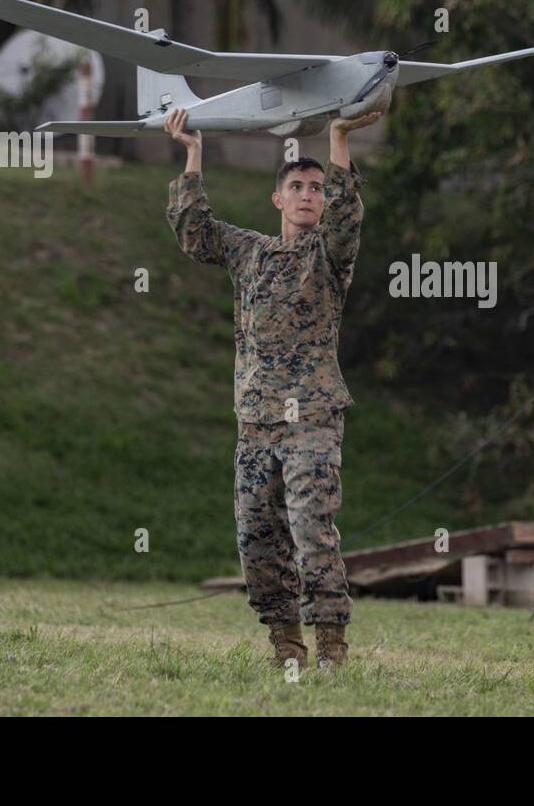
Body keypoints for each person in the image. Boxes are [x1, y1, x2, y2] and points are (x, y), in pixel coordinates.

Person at [164, 107, 381, 670]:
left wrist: (337, 137)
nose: (309, 194)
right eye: (297, 187)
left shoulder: (328, 257)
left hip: (311, 416)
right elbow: (195, 232)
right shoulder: (251, 254)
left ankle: (332, 644)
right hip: (256, 421)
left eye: (316, 187)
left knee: (311, 529)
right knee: (257, 540)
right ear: (278, 199)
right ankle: (286, 645)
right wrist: (192, 152)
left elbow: (347, 217)